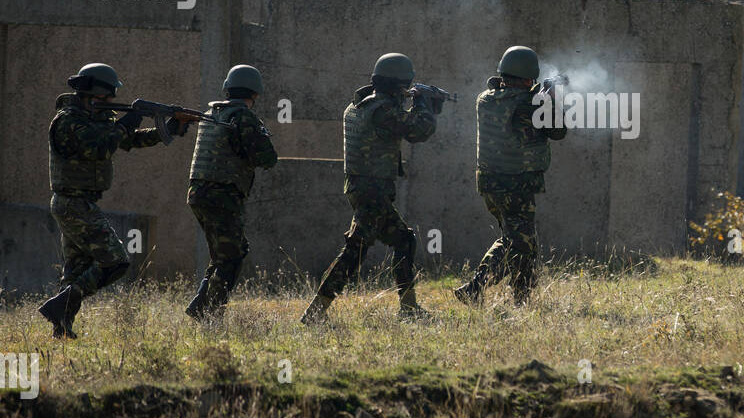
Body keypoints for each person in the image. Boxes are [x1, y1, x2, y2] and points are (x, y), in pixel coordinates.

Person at [38, 63, 188, 339]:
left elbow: (128, 140)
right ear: (93, 94)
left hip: (81, 203)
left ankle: (61, 327)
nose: (111, 103)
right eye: (108, 97)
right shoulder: (68, 121)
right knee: (116, 261)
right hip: (72, 203)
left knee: (77, 270)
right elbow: (100, 146)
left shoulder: (96, 120)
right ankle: (58, 308)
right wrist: (129, 119)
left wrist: (169, 128)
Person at [301, 53, 442, 324]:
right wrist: (425, 105)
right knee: (367, 249)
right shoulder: (382, 110)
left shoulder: (359, 105)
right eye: (403, 87)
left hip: (362, 188)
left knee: (388, 243)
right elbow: (418, 131)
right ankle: (317, 312)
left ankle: (406, 308)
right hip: (372, 191)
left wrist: (423, 104)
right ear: (394, 85)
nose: (405, 92)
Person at [454, 45, 566, 307]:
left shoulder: (486, 98)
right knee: (521, 243)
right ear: (529, 77)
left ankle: (511, 297)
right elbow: (558, 131)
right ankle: (482, 289)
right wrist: (551, 98)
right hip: (517, 183)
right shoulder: (528, 104)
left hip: (489, 182)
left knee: (515, 239)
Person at [184, 64, 278, 322]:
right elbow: (267, 157)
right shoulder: (243, 117)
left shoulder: (212, 114)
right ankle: (209, 314)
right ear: (255, 93)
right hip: (221, 196)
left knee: (225, 253)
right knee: (232, 256)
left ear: (227, 88)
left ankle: (201, 306)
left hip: (198, 194)